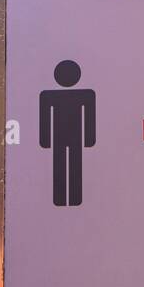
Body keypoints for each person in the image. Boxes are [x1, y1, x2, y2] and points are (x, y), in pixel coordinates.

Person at [39, 59, 96, 207]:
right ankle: (61, 198)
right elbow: (45, 117)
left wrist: (89, 139)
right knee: (61, 164)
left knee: (74, 164)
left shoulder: (86, 95)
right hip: (63, 137)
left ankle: (73, 197)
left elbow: (89, 116)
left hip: (72, 137)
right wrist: (45, 140)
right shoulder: (47, 96)